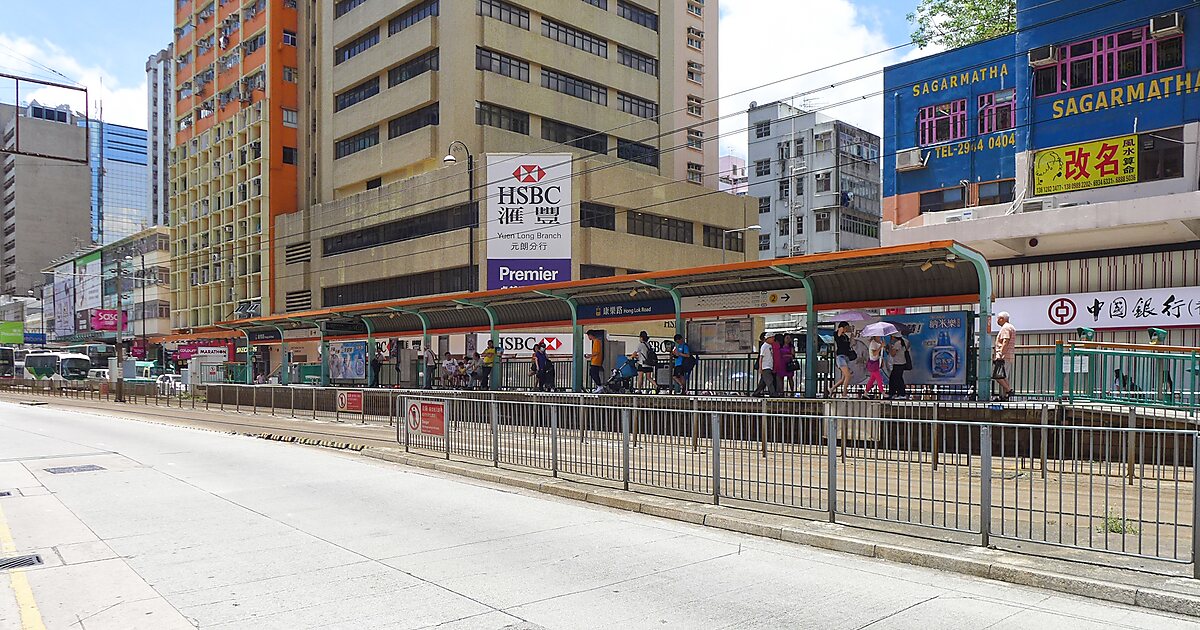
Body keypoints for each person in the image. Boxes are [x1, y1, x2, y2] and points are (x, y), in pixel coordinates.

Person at [827, 322, 855, 398]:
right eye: (845, 327)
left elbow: (850, 345)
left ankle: (831, 389)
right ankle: (844, 394)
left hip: (846, 357)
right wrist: (843, 327)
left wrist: (852, 337)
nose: (846, 329)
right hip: (840, 357)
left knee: (843, 378)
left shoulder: (845, 336)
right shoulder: (837, 334)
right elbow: (839, 331)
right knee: (848, 376)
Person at [994, 311, 1017, 401]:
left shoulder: (1005, 328)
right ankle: (1005, 396)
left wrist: (1000, 354)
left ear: (1002, 319)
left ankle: (1009, 391)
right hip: (1009, 355)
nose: (997, 320)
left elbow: (1005, 341)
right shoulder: (1011, 327)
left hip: (1004, 356)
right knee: (1004, 376)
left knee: (998, 376)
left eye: (998, 318)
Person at [887, 335, 911, 399]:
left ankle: (901, 394)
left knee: (896, 379)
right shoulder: (905, 341)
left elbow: (893, 354)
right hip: (902, 363)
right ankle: (895, 393)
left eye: (891, 336)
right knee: (897, 378)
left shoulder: (897, 343)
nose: (891, 338)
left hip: (898, 363)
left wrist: (890, 348)